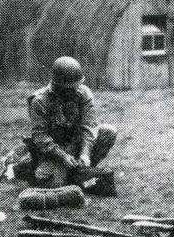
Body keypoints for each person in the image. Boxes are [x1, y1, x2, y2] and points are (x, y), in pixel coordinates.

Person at [25, 57, 117, 187]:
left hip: (77, 143)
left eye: (77, 85)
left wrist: (85, 154)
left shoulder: (84, 93)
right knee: (50, 182)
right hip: (54, 151)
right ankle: (33, 166)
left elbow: (89, 126)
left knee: (108, 132)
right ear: (59, 86)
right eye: (71, 88)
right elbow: (40, 136)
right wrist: (63, 156)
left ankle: (81, 169)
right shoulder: (39, 101)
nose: (76, 90)